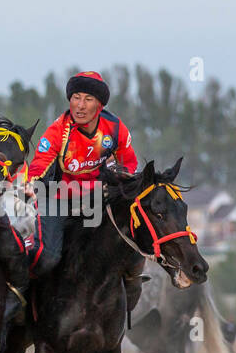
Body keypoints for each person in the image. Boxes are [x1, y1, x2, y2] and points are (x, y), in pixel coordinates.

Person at [18, 71, 144, 313]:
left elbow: (130, 165)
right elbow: (39, 164)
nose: (80, 105)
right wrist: (30, 182)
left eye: (88, 99)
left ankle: (127, 297)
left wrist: (119, 179)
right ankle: (19, 296)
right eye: (76, 97)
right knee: (49, 257)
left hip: (96, 199)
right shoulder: (58, 130)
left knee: (127, 248)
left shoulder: (115, 129)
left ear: (100, 105)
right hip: (56, 198)